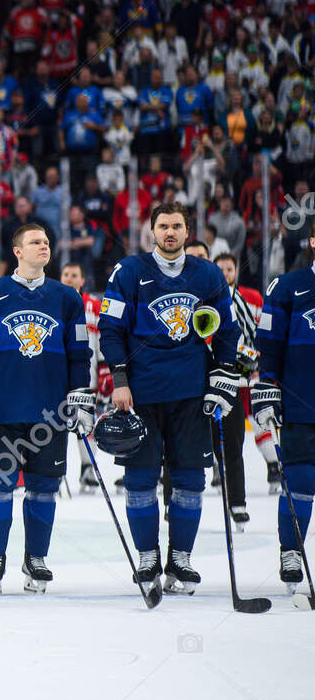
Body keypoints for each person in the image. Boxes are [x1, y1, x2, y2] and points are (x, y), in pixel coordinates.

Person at [99, 202, 240, 595]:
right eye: (163, 226)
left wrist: (222, 376)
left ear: (188, 230)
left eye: (177, 226)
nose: (170, 232)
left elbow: (227, 329)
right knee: (140, 478)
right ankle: (148, 557)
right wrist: (120, 379)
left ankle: (181, 558)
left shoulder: (207, 273)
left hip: (191, 392)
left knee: (191, 479)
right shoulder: (129, 271)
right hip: (141, 393)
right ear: (152, 231)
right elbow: (110, 330)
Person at [0, 225, 93, 594]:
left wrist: (79, 393)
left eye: (47, 241)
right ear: (17, 251)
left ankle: (36, 558)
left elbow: (80, 353)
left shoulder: (67, 298)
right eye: (35, 242)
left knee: (44, 489)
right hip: (2, 412)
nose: (44, 246)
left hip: (51, 413)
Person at [252, 232, 315, 594]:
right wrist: (266, 394)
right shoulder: (287, 287)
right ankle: (292, 552)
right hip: (300, 402)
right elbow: (270, 347)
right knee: (301, 481)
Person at [215, 253, 277, 526]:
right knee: (222, 432)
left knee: (257, 417)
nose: (226, 273)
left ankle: (273, 464)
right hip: (221, 377)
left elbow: (264, 331)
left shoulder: (251, 298)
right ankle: (219, 471)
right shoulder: (209, 299)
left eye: (229, 269)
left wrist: (258, 359)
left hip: (249, 376)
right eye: (221, 269)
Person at [60, 260, 111, 490]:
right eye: (66, 275)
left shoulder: (94, 306)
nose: (69, 279)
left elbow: (103, 342)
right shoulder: (53, 303)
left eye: (74, 275)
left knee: (84, 423)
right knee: (54, 425)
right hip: (57, 379)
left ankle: (88, 467)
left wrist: (104, 372)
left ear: (82, 280)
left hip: (85, 378)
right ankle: (55, 467)